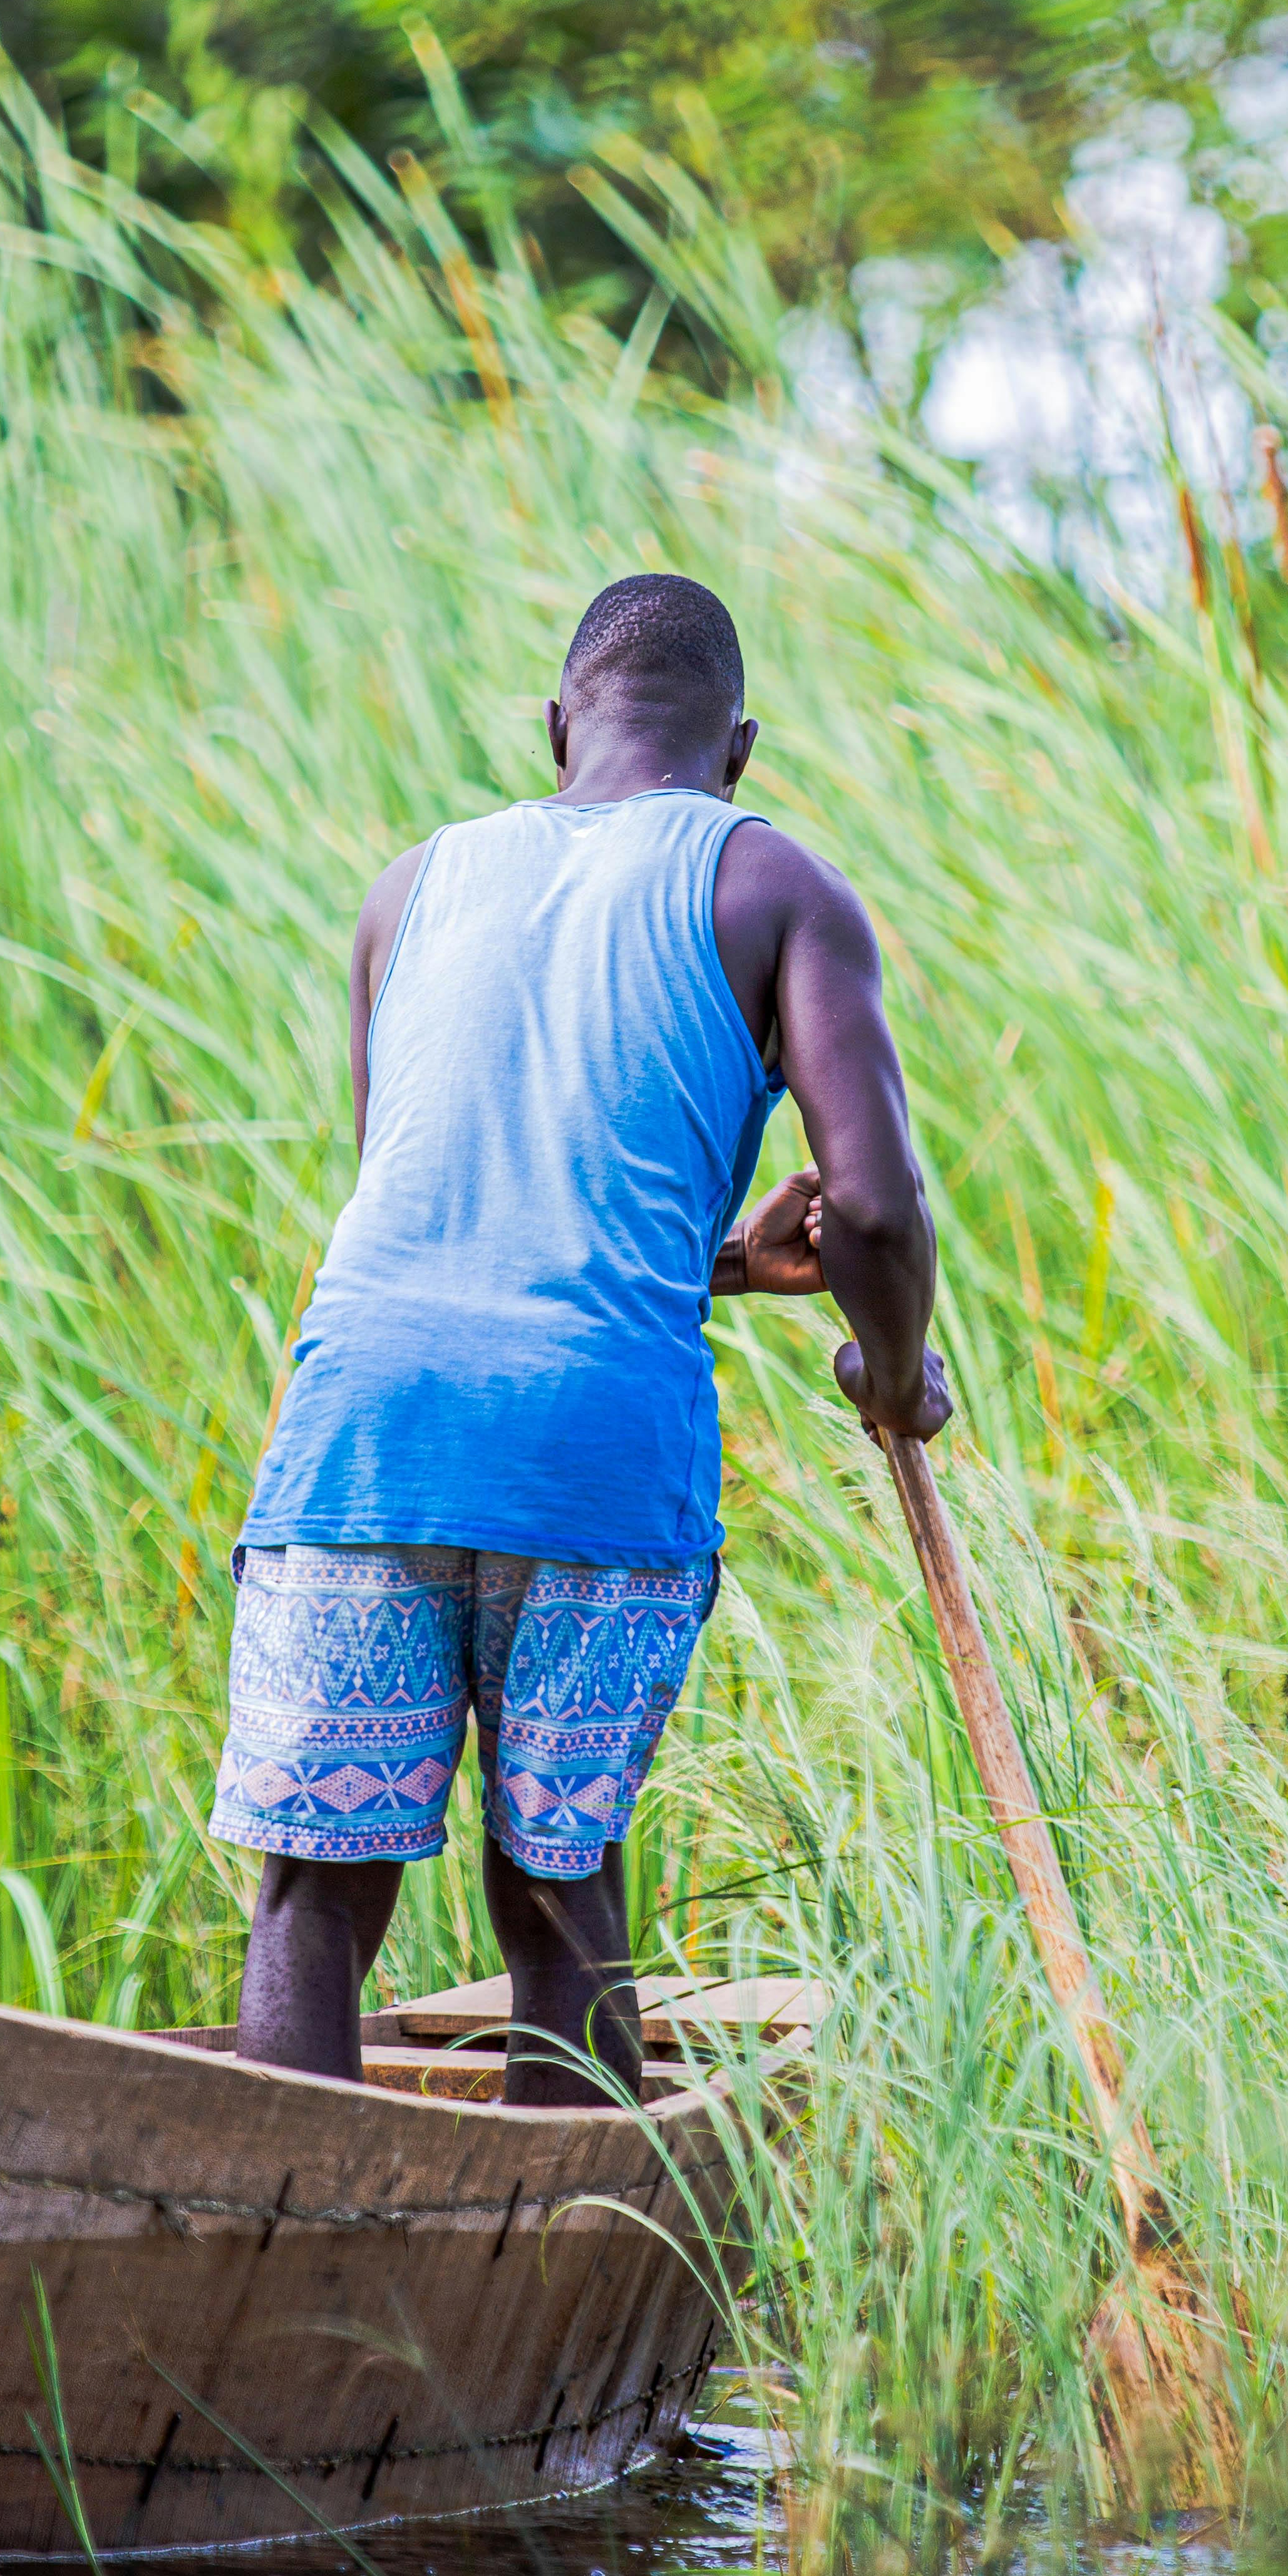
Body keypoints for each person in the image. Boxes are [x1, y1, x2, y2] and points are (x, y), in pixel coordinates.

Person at [209, 571, 949, 2103]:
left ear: (558, 728)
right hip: (593, 1452)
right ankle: (565, 2229)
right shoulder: (775, 883)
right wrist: (893, 1378)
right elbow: (877, 1213)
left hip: (366, 1430)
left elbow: (457, 1208)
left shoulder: (409, 889)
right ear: (738, 751)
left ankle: (274, 2227)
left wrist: (722, 1265)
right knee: (558, 1891)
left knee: (313, 1898)